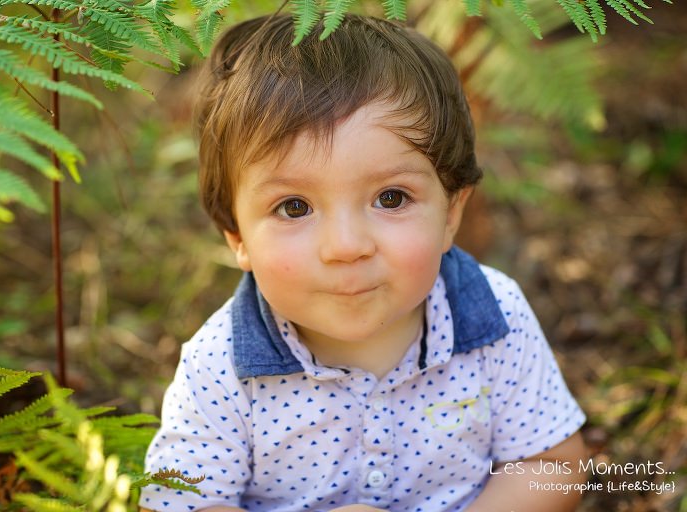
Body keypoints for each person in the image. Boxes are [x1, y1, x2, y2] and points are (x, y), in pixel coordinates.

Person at [140, 13, 587, 512]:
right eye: (294, 207)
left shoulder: (493, 317)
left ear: (450, 214)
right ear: (237, 238)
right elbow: (179, 503)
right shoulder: (219, 367)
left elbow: (551, 464)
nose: (346, 246)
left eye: (391, 198)